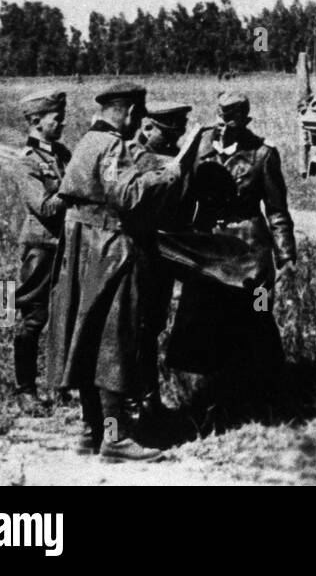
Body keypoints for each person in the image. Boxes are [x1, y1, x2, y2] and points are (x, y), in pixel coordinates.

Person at [46, 81, 190, 461]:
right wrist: (170, 174)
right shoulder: (111, 146)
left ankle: (91, 431)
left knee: (88, 338)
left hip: (82, 247)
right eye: (137, 116)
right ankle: (116, 438)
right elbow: (126, 195)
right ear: (128, 112)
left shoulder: (86, 142)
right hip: (110, 248)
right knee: (115, 340)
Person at [167, 91, 295, 421]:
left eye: (235, 118)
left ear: (245, 119)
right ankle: (217, 400)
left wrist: (286, 257)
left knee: (259, 318)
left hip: (252, 251)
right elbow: (179, 190)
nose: (227, 125)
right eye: (223, 117)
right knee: (211, 321)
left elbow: (277, 211)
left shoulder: (264, 154)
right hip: (210, 248)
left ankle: (268, 397)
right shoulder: (199, 147)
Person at [127, 101, 192, 420]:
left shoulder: (167, 155)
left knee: (151, 325)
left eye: (178, 132)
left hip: (162, 254)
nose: (173, 140)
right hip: (136, 254)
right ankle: (134, 400)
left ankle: (148, 399)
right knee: (135, 327)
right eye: (167, 133)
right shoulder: (131, 156)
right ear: (146, 127)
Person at [14, 89, 70, 406]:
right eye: (56, 118)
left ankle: (60, 386)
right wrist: (75, 186)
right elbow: (46, 208)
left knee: (64, 316)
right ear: (37, 121)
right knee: (34, 319)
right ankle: (26, 391)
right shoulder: (27, 162)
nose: (61, 123)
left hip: (66, 246)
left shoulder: (62, 154)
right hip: (40, 249)